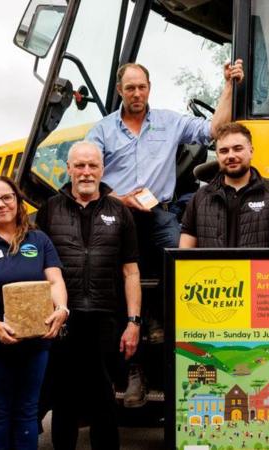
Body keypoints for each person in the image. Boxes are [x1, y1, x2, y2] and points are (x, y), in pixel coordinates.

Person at [85, 60, 243, 404]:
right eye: (130, 88)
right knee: (100, 275)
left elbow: (215, 131)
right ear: (120, 92)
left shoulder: (170, 122)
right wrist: (119, 198)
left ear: (149, 88)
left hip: (157, 213)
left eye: (141, 87)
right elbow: (87, 169)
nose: (137, 94)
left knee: (184, 262)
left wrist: (228, 85)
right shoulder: (102, 130)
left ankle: (183, 338)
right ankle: (130, 368)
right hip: (117, 212)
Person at [35, 142, 141, 450]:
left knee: (103, 398)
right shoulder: (50, 209)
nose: (85, 172)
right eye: (79, 165)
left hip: (104, 318)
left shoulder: (119, 211)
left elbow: (131, 271)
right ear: (68, 169)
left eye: (92, 165)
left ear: (102, 170)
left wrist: (133, 321)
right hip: (63, 318)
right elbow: (36, 266)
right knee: (65, 397)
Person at [0, 175, 69, 450]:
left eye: (7, 198)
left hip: (35, 343)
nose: (1, 204)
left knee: (27, 410)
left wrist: (62, 309)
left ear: (19, 204)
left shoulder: (39, 240)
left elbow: (55, 281)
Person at [179, 122, 269, 248]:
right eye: (224, 151)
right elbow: (184, 255)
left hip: (261, 269)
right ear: (217, 156)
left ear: (251, 151)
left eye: (238, 149)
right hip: (215, 268)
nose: (231, 156)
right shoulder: (200, 197)